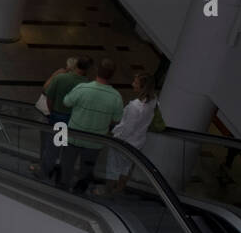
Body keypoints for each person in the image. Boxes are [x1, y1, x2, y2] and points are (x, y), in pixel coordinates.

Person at [60, 59, 126, 193]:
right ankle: (79, 191)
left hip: (73, 136)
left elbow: (66, 102)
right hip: (95, 142)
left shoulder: (82, 88)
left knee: (66, 165)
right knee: (87, 168)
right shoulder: (116, 97)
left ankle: (63, 188)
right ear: (112, 74)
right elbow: (117, 119)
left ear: (97, 70)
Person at [93, 73, 158, 196]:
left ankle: (107, 190)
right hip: (138, 142)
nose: (132, 84)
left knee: (113, 167)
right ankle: (120, 189)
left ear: (142, 87)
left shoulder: (135, 106)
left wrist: (115, 135)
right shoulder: (153, 101)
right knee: (126, 167)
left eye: (135, 83)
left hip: (124, 141)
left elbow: (127, 127)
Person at [31, 56, 90, 182]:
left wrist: (53, 111)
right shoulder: (86, 84)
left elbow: (47, 92)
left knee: (52, 146)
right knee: (66, 148)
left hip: (58, 116)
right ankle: (62, 175)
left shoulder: (61, 77)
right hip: (74, 120)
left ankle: (45, 172)